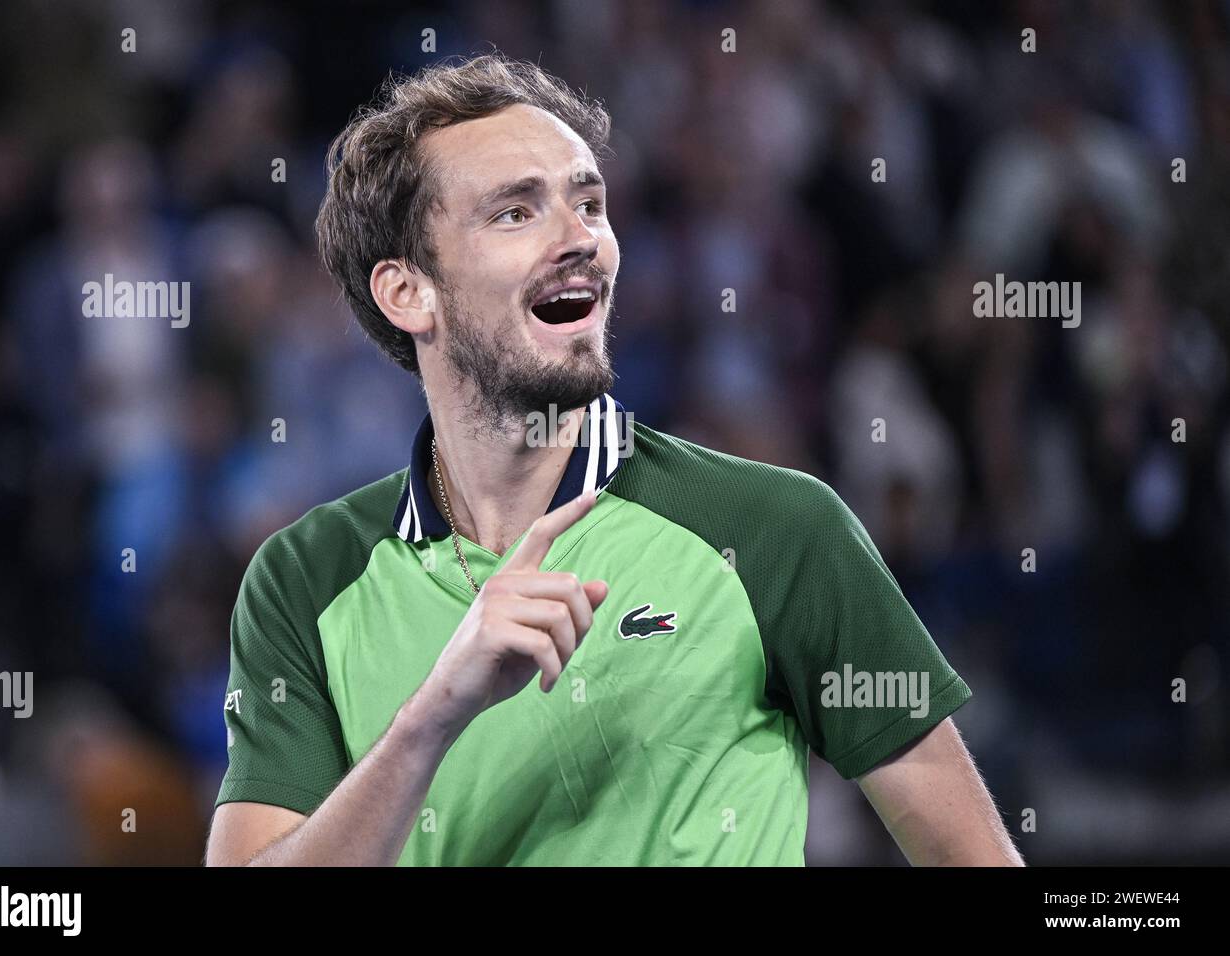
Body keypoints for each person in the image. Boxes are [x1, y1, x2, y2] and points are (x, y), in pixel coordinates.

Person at [205, 53, 1023, 866]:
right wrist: (432, 717)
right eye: (515, 213)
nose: (580, 240)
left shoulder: (777, 528)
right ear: (408, 292)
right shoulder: (303, 580)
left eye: (589, 204)